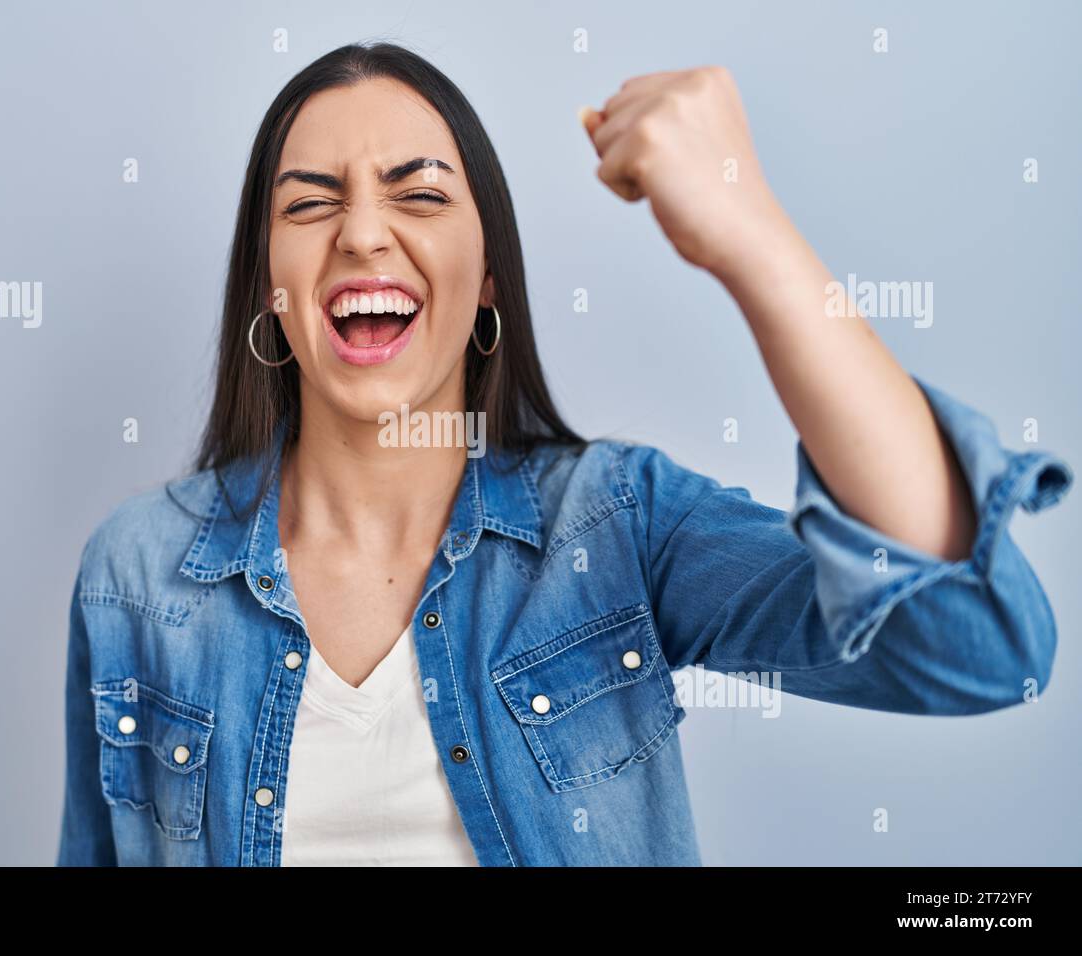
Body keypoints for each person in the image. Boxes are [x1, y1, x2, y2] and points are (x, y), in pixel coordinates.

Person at [56, 42, 1071, 866]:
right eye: (310, 202)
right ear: (269, 285)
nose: (362, 232)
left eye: (418, 194)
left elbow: (980, 645)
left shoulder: (613, 525)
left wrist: (749, 234)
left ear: (488, 275)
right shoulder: (137, 571)